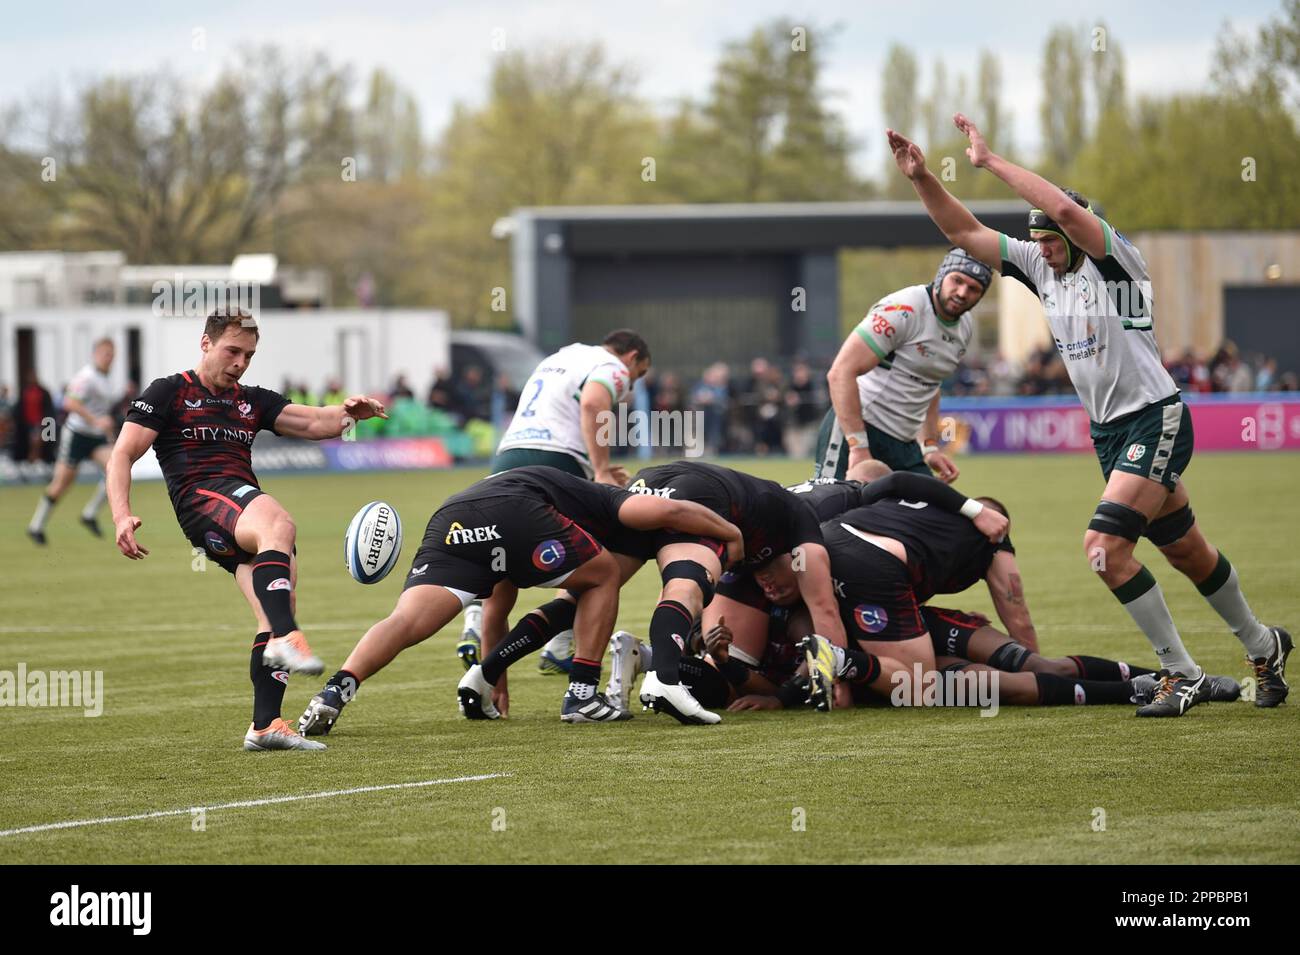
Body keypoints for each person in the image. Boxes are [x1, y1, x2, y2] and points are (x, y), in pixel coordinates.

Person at [887, 113, 1289, 714]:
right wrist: (922, 179)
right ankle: (1264, 645)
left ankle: (1182, 674)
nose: (1045, 251)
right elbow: (965, 233)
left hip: (1154, 417)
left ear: (1076, 234)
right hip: (1110, 433)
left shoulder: (1113, 260)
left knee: (1103, 549)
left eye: (1052, 241)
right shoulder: (1041, 266)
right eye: (1040, 242)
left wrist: (991, 162)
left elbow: (1070, 214)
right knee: (1186, 551)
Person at [107, 309, 388, 750]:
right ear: (206, 344)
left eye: (249, 355)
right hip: (203, 500)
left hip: (237, 509)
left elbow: (315, 422)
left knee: (276, 597)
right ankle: (288, 636)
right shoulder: (168, 392)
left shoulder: (251, 400)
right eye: (232, 351)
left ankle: (266, 725)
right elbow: (122, 455)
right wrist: (122, 514)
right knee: (279, 523)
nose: (240, 362)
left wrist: (351, 414)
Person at [296, 465, 741, 732]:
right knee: (604, 573)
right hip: (517, 509)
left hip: (454, 516)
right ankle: (583, 696)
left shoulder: (538, 496)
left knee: (406, 620)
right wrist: (728, 532)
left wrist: (493, 678)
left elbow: (497, 608)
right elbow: (669, 511)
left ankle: (336, 690)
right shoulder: (606, 499)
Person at [455, 331, 652, 712]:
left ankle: (490, 686)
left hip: (506, 462)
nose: (632, 388)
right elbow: (594, 404)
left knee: (501, 588)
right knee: (605, 565)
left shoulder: (562, 356)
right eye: (638, 375)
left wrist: (596, 468)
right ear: (630, 356)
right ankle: (568, 658)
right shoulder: (611, 366)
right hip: (552, 466)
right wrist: (598, 471)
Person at [815, 248, 990, 482]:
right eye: (957, 281)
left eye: (973, 289)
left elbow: (930, 385)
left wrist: (929, 446)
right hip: (861, 430)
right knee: (831, 512)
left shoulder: (965, 327)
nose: (961, 293)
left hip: (904, 445)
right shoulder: (903, 309)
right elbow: (840, 373)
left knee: (931, 515)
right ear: (941, 275)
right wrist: (858, 447)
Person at [27, 338, 119, 545]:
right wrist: (96, 420)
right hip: (77, 434)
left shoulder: (106, 378)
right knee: (61, 484)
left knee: (118, 470)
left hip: (95, 437)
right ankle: (36, 526)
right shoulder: (86, 377)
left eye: (112, 354)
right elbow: (69, 403)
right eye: (106, 353)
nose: (109, 357)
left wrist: (105, 426)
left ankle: (89, 514)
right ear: (95, 354)